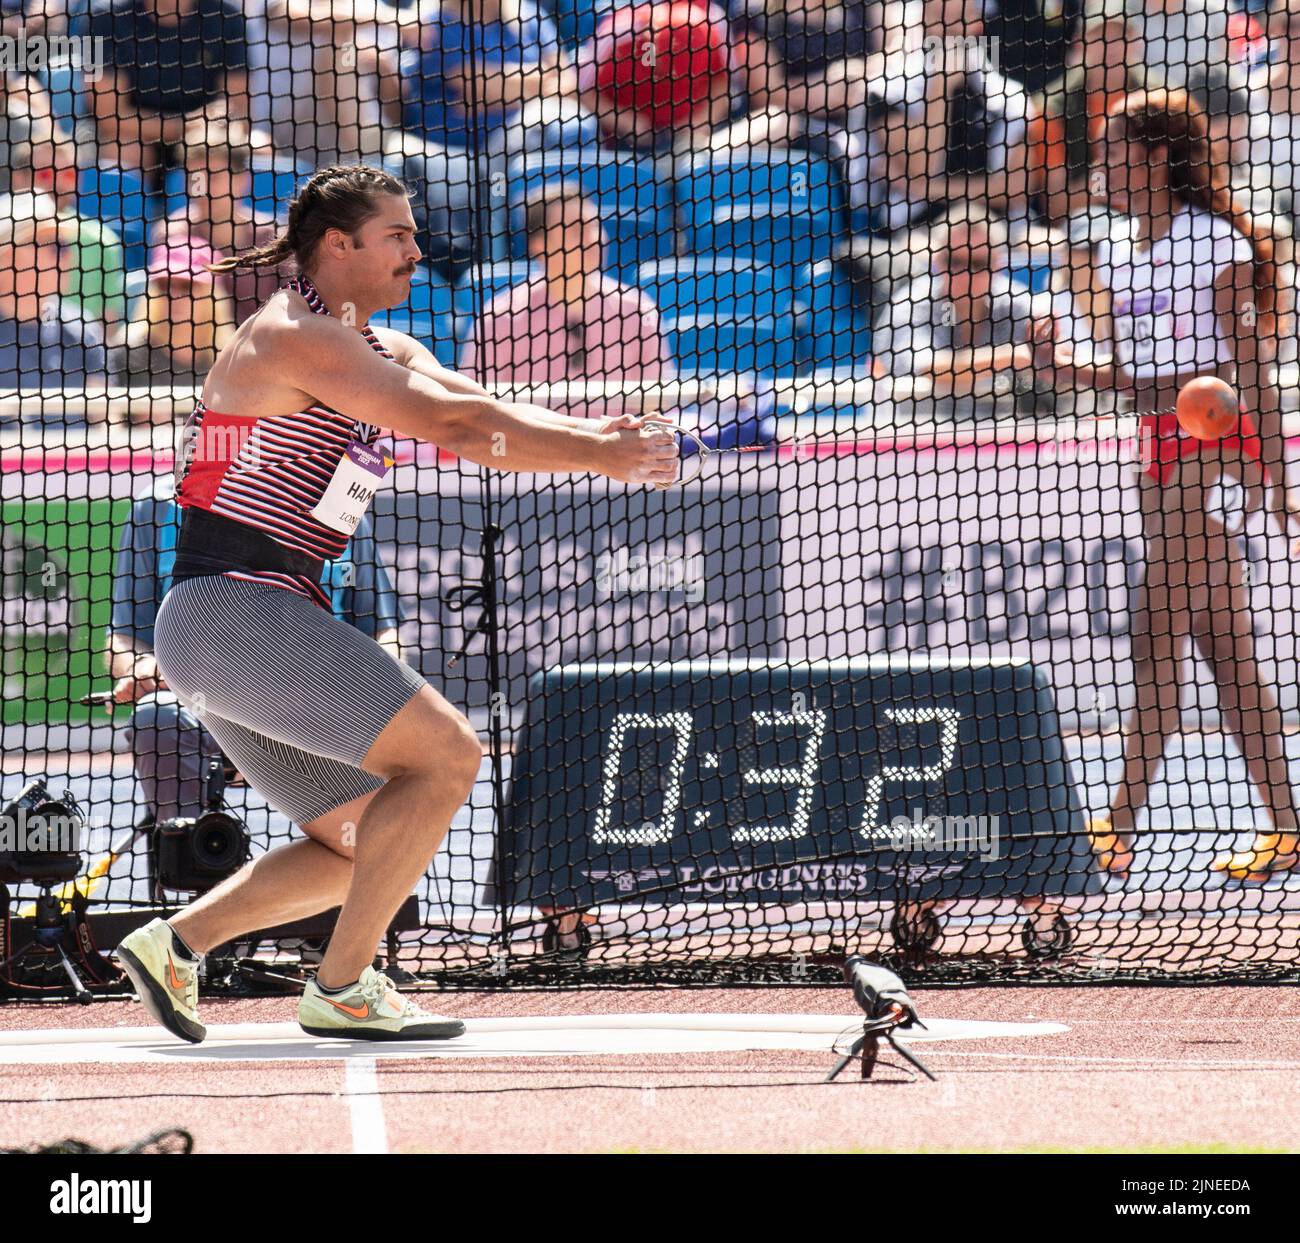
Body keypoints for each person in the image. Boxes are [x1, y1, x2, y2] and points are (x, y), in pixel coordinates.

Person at [112, 164, 679, 1043]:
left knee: (362, 841)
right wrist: (597, 457)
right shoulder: (291, 336)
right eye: (399, 236)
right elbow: (451, 430)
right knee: (450, 755)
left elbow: (474, 405)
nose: (420, 251)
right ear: (338, 246)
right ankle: (342, 986)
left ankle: (178, 944)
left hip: (234, 625)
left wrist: (593, 434)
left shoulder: (375, 346)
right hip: (233, 612)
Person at [1053, 89, 1300, 882]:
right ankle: (1290, 829)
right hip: (1156, 459)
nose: (1103, 161)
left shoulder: (1212, 243)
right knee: (1228, 658)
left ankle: (1116, 826)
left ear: (1157, 158)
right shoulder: (1120, 249)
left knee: (1156, 636)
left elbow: (1248, 367)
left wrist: (1276, 473)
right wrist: (1062, 367)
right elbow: (1144, 382)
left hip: (1211, 458)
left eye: (1117, 147)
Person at [108, 471, 402, 830]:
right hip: (203, 706)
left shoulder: (339, 501)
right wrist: (141, 666)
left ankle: (358, 858)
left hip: (319, 710)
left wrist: (384, 696)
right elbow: (123, 638)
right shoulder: (155, 506)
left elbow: (385, 632)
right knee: (156, 718)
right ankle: (185, 859)